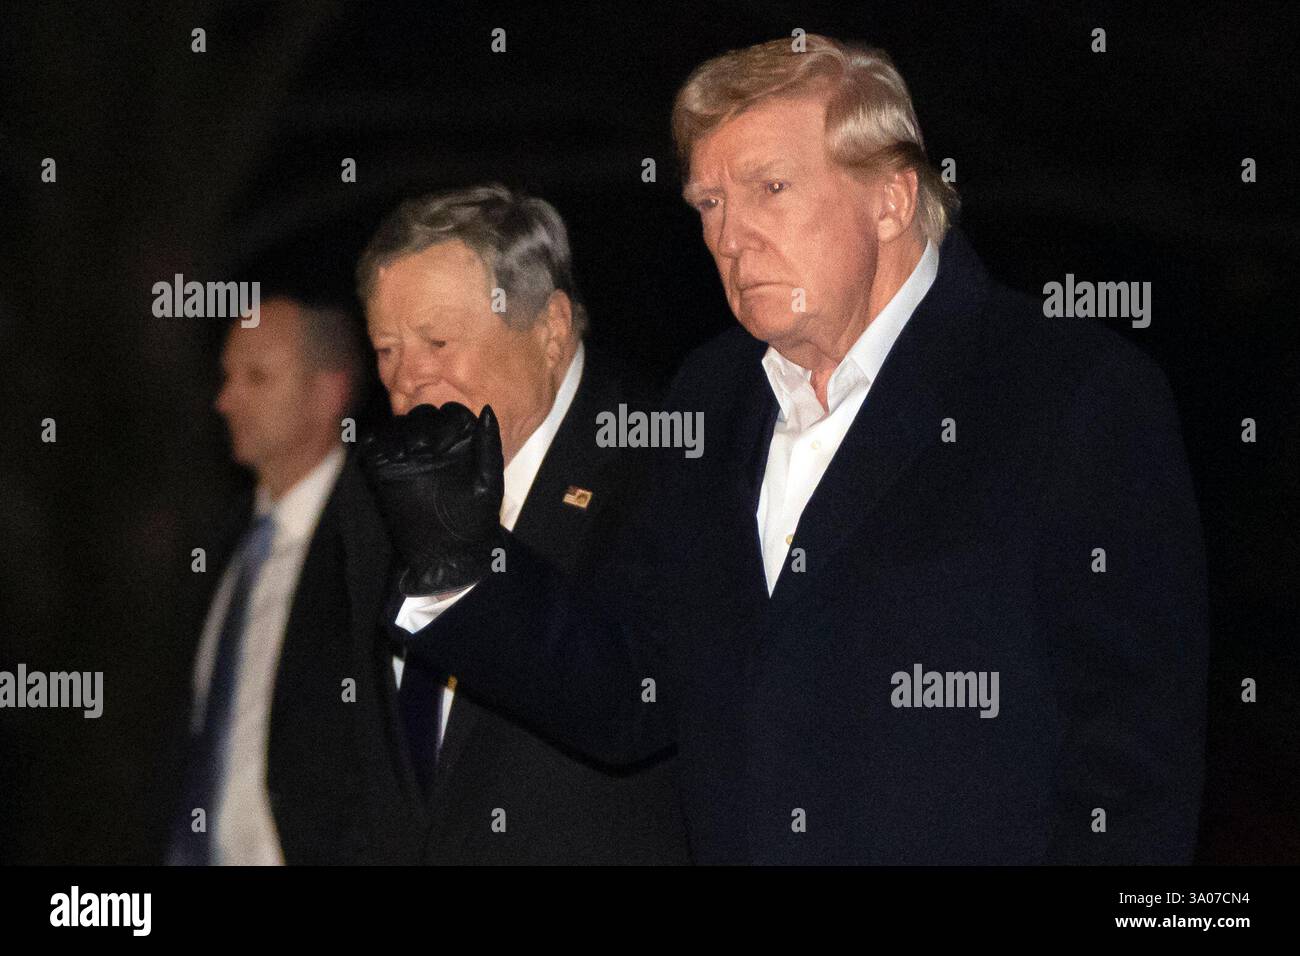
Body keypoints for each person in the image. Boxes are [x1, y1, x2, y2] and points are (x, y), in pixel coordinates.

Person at [361, 36, 1210, 864]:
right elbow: (634, 693)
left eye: (769, 188)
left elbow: (1133, 759)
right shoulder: (712, 397)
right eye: (709, 204)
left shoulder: (1067, 390)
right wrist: (462, 563)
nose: (731, 237)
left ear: (891, 198)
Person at [352, 184, 688, 864]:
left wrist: (461, 569)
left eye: (438, 341)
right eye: (386, 350)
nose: (408, 377)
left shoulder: (664, 463)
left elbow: (630, 708)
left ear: (550, 331)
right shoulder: (387, 493)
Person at [167, 296, 380, 865]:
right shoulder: (219, 546)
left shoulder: (377, 548)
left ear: (329, 393)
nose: (226, 400)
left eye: (257, 377)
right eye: (227, 377)